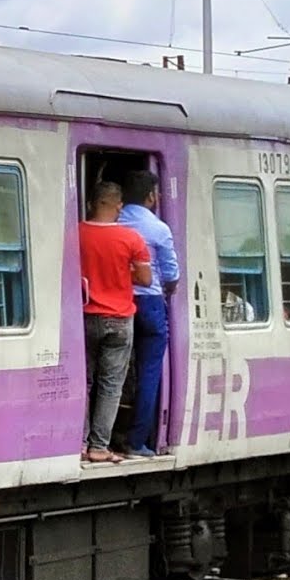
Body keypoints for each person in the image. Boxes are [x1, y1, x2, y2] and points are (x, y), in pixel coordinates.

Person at [80, 182, 152, 463]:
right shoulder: (131, 239)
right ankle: (99, 447)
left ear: (93, 203)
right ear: (116, 204)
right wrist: (125, 274)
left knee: (85, 382)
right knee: (110, 386)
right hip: (120, 318)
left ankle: (80, 444)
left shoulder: (76, 234)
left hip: (85, 316)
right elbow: (146, 279)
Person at [117, 170, 180, 458]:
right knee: (150, 372)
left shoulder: (115, 223)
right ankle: (137, 440)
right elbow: (171, 275)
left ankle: (103, 436)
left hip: (116, 300)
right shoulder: (159, 229)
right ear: (151, 196)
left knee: (113, 370)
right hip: (151, 302)